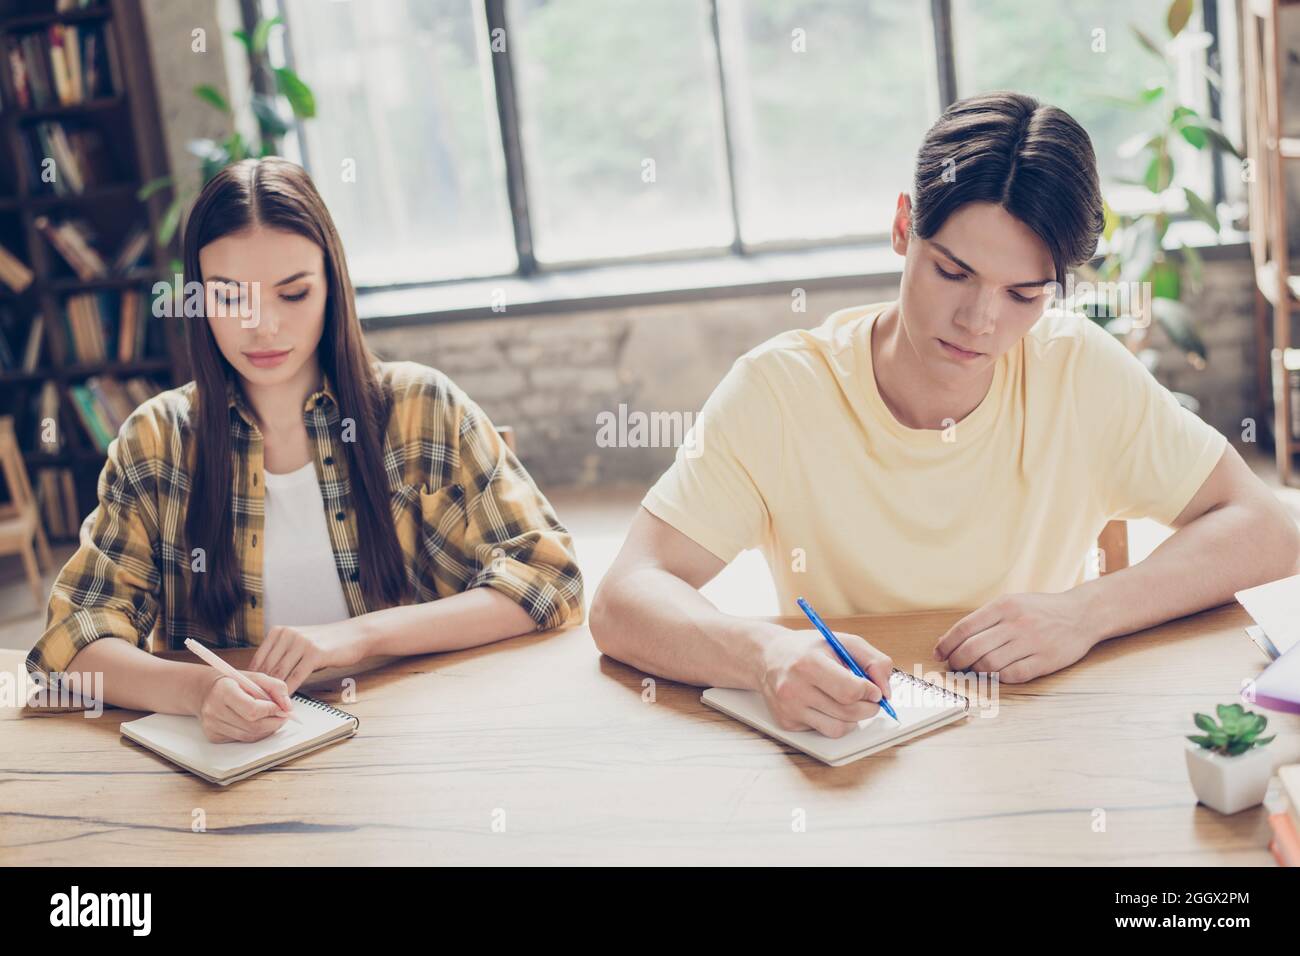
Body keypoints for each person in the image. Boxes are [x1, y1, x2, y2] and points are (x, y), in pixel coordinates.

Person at [590, 91, 1299, 738]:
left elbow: (1267, 529)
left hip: (1035, 735)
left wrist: (1088, 611)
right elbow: (625, 597)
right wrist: (765, 653)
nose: (979, 321)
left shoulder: (1076, 367)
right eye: (953, 273)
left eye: (1023, 295)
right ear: (903, 227)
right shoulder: (780, 391)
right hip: (859, 743)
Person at [27, 158, 584, 742]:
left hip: (416, 747)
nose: (263, 326)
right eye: (228, 297)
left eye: (293, 294)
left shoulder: (421, 407)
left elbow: (550, 578)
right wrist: (198, 693)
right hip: (240, 761)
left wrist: (360, 635)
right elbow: (74, 637)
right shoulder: (157, 441)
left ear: (331, 284)